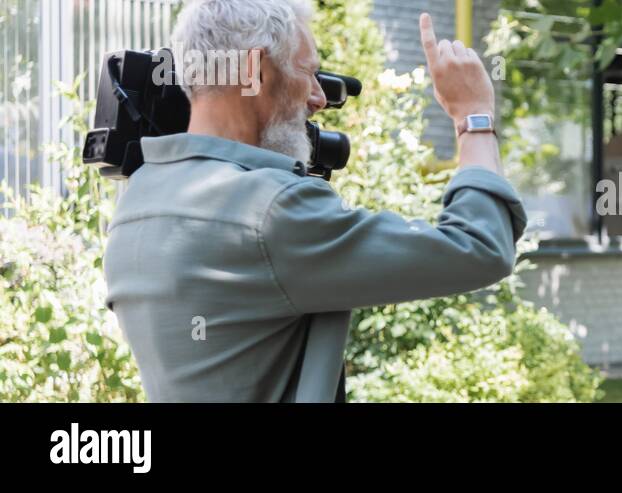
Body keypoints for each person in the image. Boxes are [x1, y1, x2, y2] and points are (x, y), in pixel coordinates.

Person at [104, 0, 522, 402]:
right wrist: (473, 118)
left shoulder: (137, 199)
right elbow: (480, 246)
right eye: (308, 73)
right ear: (253, 71)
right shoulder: (269, 213)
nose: (320, 99)